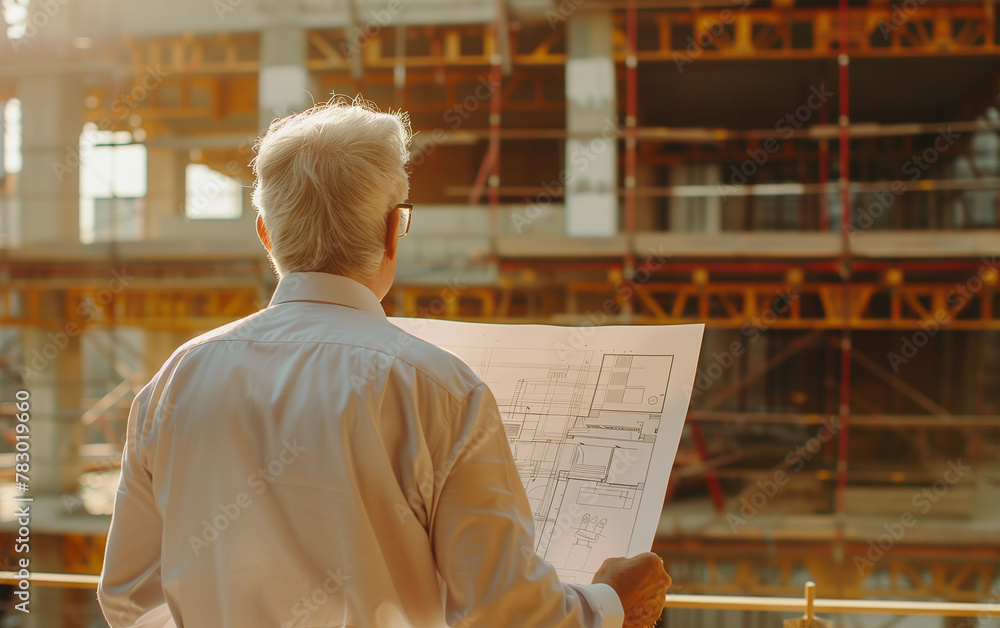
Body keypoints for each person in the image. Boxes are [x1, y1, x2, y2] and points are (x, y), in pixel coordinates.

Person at [98, 96, 671, 628]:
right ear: (394, 229)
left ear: (266, 234)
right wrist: (610, 603)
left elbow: (129, 596)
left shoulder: (174, 380)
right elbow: (505, 612)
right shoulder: (442, 391)